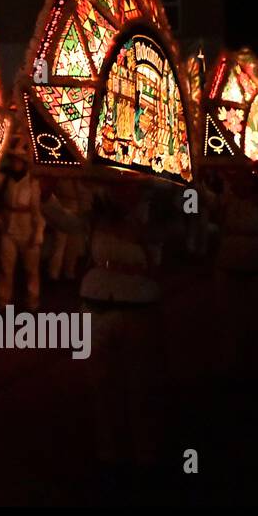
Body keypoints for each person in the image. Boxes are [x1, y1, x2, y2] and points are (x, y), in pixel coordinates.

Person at [78, 187, 164, 476]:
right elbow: (68, 223)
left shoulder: (157, 206)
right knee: (100, 383)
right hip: (96, 304)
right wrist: (46, 197)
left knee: (140, 385)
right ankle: (108, 453)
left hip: (137, 306)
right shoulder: (98, 211)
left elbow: (167, 239)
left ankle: (145, 453)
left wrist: (132, 223)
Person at [213, 162, 258, 379]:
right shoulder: (226, 199)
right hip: (231, 261)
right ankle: (232, 364)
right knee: (231, 317)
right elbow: (201, 209)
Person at [0, 137, 45, 310]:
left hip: (27, 232)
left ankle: (33, 304)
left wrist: (37, 234)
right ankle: (3, 303)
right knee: (5, 269)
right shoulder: (4, 180)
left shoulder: (32, 183)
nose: (15, 162)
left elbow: (37, 211)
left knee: (31, 271)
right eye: (13, 159)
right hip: (8, 231)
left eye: (18, 160)